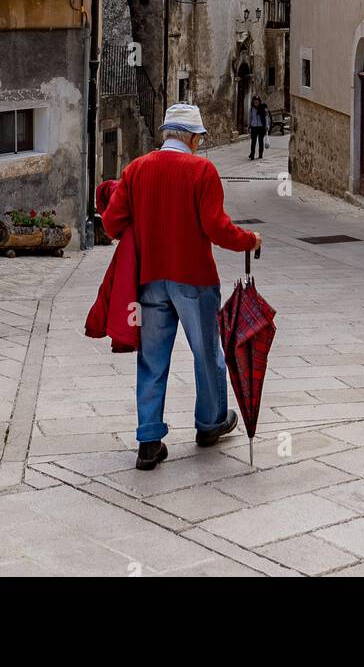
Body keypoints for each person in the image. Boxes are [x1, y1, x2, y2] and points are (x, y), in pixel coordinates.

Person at [99, 103, 261, 471]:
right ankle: (210, 424)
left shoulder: (137, 169)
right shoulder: (202, 170)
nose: (199, 144)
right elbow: (217, 229)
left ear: (166, 133)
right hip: (194, 279)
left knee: (152, 359)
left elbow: (111, 224)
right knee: (207, 355)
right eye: (199, 138)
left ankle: (149, 441)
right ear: (191, 137)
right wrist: (249, 239)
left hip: (150, 281)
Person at [249, 95, 270, 161]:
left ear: (259, 102)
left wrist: (267, 126)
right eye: (254, 101)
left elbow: (266, 118)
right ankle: (252, 154)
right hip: (254, 127)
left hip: (261, 127)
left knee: (261, 141)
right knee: (253, 141)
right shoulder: (252, 109)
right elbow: (250, 118)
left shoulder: (263, 109)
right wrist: (249, 126)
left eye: (257, 101)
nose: (256, 103)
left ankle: (260, 154)